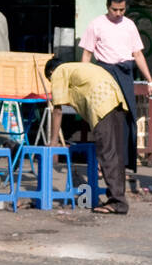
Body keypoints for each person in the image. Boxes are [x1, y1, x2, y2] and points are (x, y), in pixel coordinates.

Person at [80, 0, 152, 182]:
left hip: (125, 73)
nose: (119, 13)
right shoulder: (96, 24)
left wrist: (149, 80)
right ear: (108, 7)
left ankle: (121, 164)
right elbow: (87, 55)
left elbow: (138, 54)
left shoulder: (129, 25)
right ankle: (101, 163)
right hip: (104, 73)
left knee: (126, 118)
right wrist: (84, 80)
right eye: (115, 10)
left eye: (122, 9)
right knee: (105, 119)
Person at [45, 56, 129, 215]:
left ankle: (117, 201)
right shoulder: (76, 68)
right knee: (115, 154)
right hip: (115, 98)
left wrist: (53, 141)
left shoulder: (59, 72)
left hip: (102, 102)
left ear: (51, 72)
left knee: (107, 154)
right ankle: (118, 199)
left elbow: (57, 110)